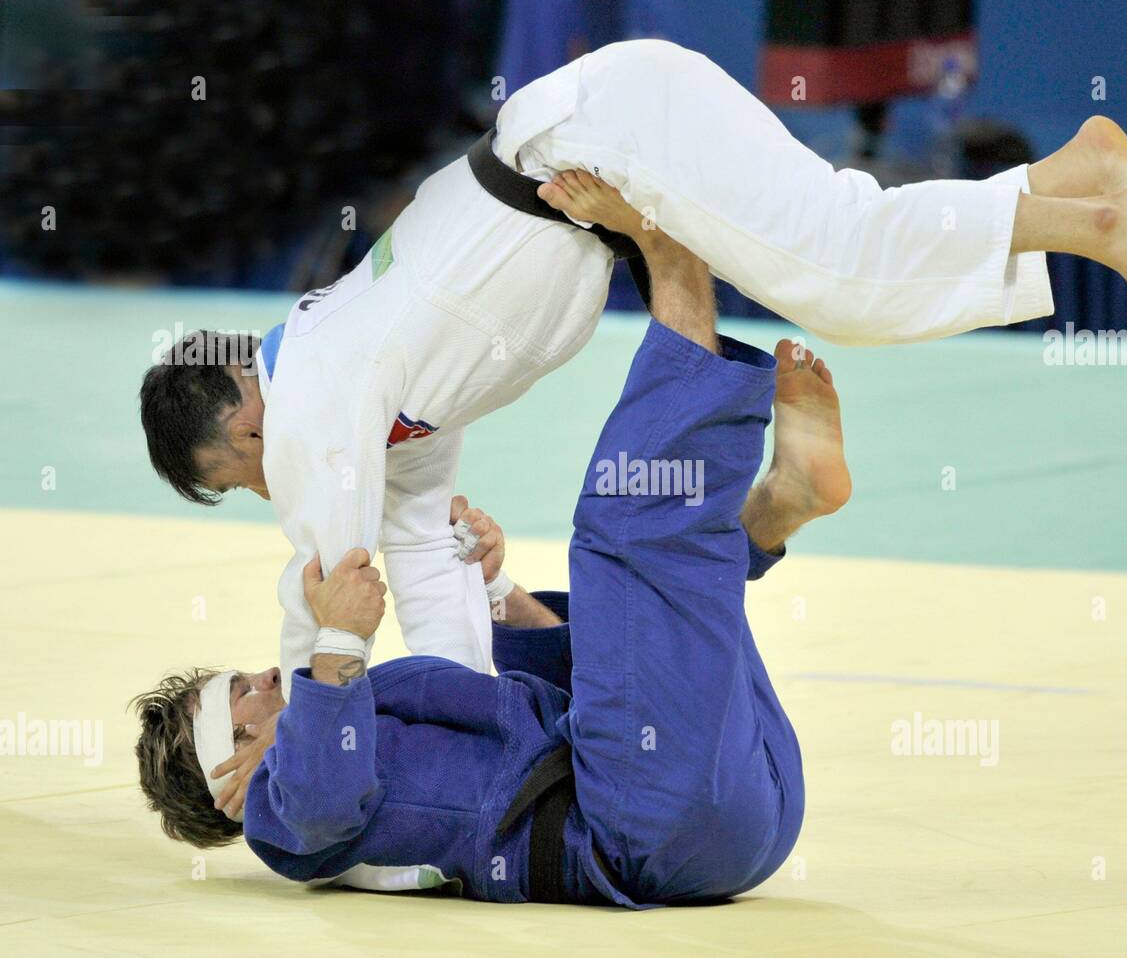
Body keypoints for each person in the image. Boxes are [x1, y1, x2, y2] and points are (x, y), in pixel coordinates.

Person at [138, 38, 1127, 705]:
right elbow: (423, 562)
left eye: (244, 478)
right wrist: (468, 726)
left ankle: (1088, 219)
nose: (271, 486)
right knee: (842, 250)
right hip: (604, 126)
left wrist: (295, 743)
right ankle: (1071, 178)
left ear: (239, 420)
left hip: (601, 134)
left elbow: (329, 590)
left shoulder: (313, 387)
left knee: (840, 274)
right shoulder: (362, 385)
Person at [133, 205, 850, 906]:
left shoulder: (363, 714)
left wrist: (500, 592)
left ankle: (770, 515)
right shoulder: (287, 823)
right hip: (644, 822)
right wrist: (337, 641)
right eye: (241, 692)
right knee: (623, 523)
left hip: (742, 808)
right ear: (233, 759)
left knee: (641, 611)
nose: (263, 672)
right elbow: (320, 800)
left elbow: (581, 673)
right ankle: (669, 239)